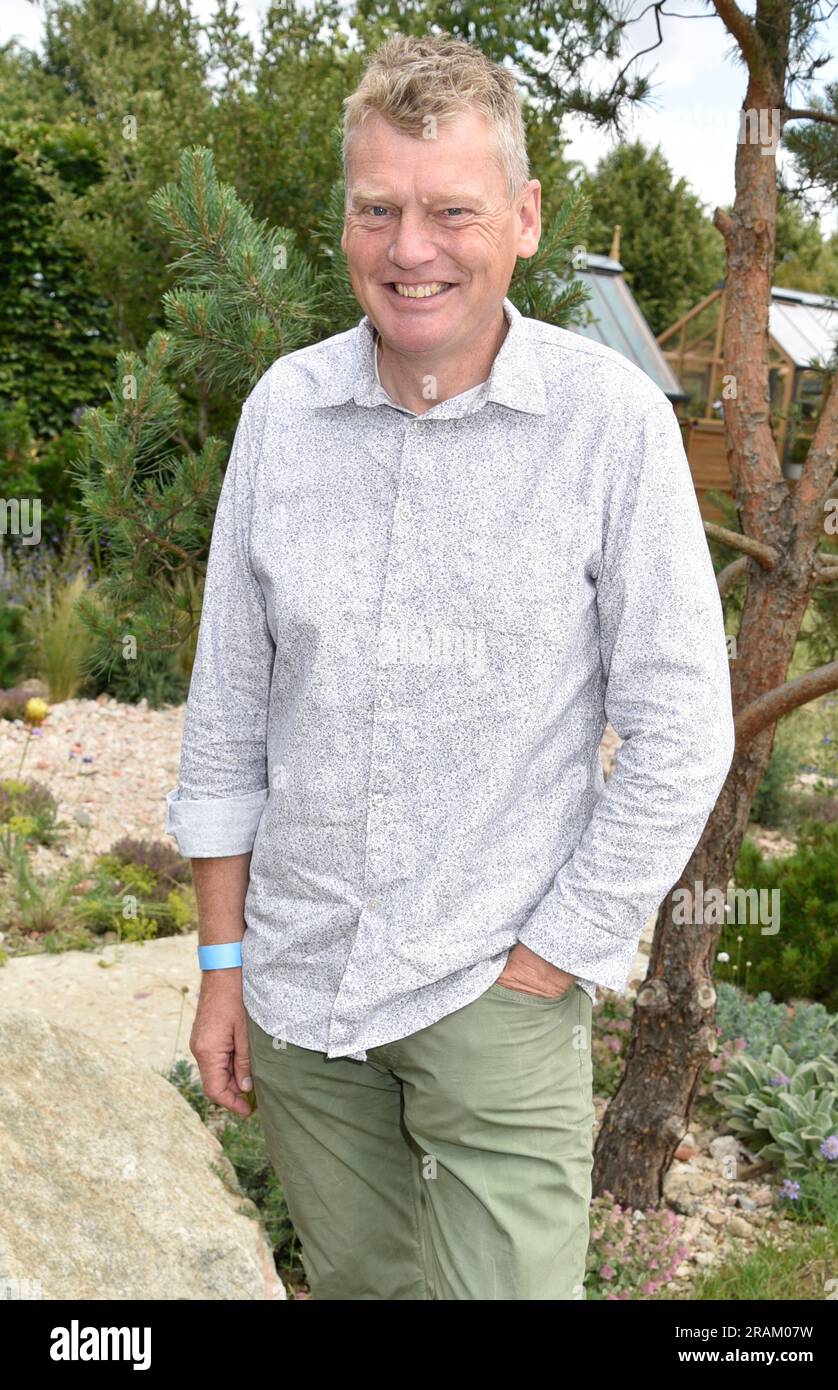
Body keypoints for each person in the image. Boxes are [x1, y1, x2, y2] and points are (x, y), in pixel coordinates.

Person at [165, 32, 735, 1301]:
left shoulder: (612, 428)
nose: (410, 247)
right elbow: (228, 715)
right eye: (379, 209)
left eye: (449, 210)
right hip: (301, 993)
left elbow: (684, 724)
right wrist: (221, 967)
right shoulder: (282, 413)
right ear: (347, 219)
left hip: (495, 990)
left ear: (523, 219)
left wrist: (552, 958)